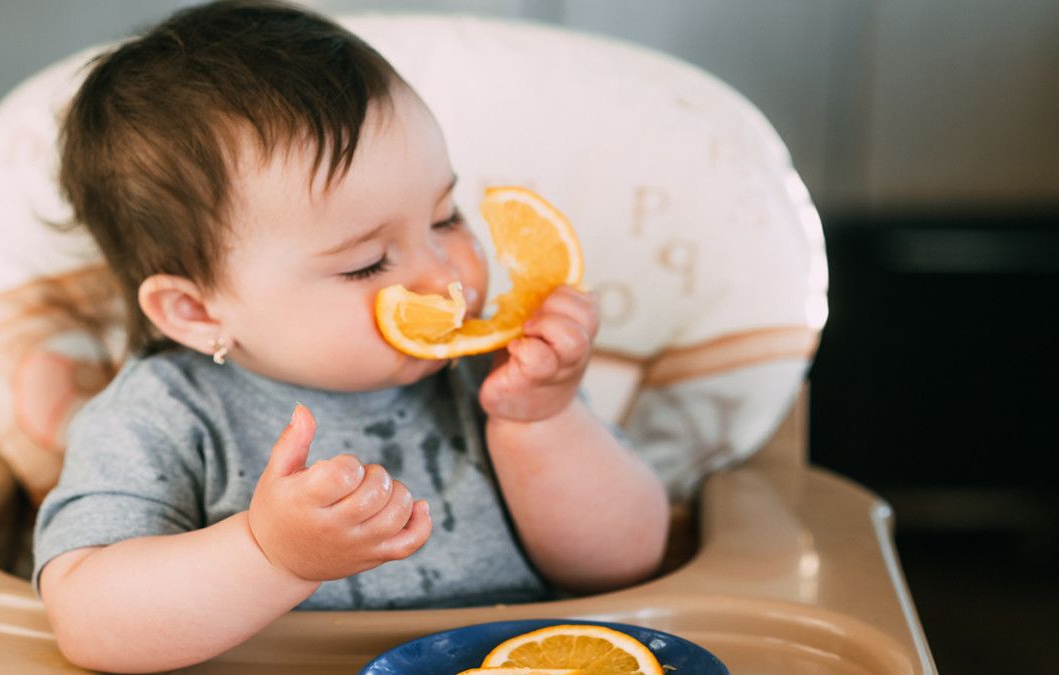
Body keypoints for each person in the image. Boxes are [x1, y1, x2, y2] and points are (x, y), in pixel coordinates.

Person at [33, 1, 670, 671]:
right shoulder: (161, 415)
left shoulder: (497, 370)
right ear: (196, 311)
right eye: (367, 262)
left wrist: (542, 420)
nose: (443, 273)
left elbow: (626, 562)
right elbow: (87, 619)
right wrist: (269, 553)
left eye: (446, 217)